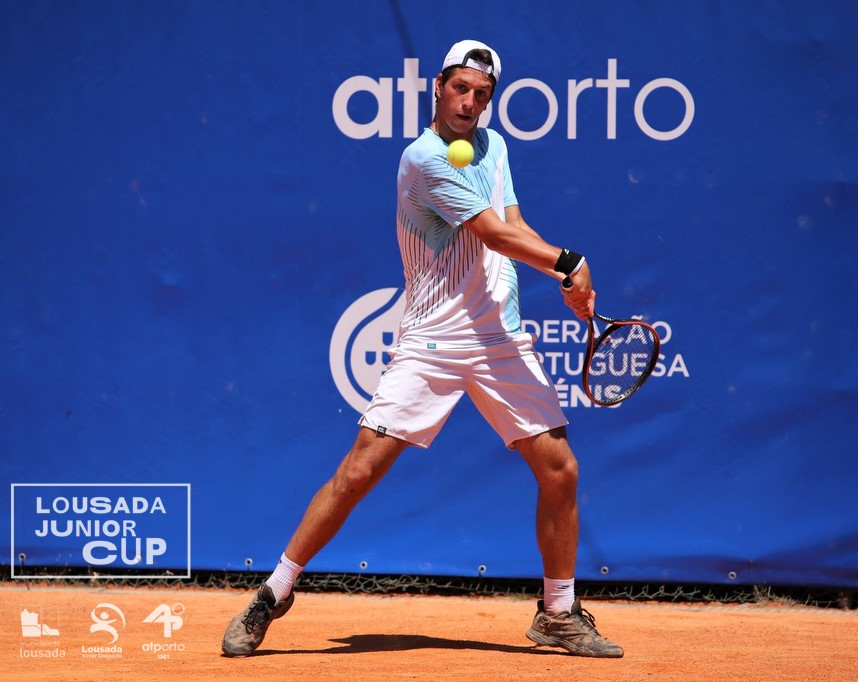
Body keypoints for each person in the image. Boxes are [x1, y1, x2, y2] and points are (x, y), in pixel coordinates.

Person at [221, 39, 623, 659]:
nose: (469, 103)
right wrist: (570, 261)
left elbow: (514, 227)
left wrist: (564, 280)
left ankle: (559, 612)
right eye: (461, 89)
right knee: (359, 471)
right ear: (438, 87)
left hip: (500, 337)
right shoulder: (424, 158)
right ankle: (273, 592)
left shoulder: (495, 148)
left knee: (560, 470)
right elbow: (489, 232)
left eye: (482, 95)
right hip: (434, 339)